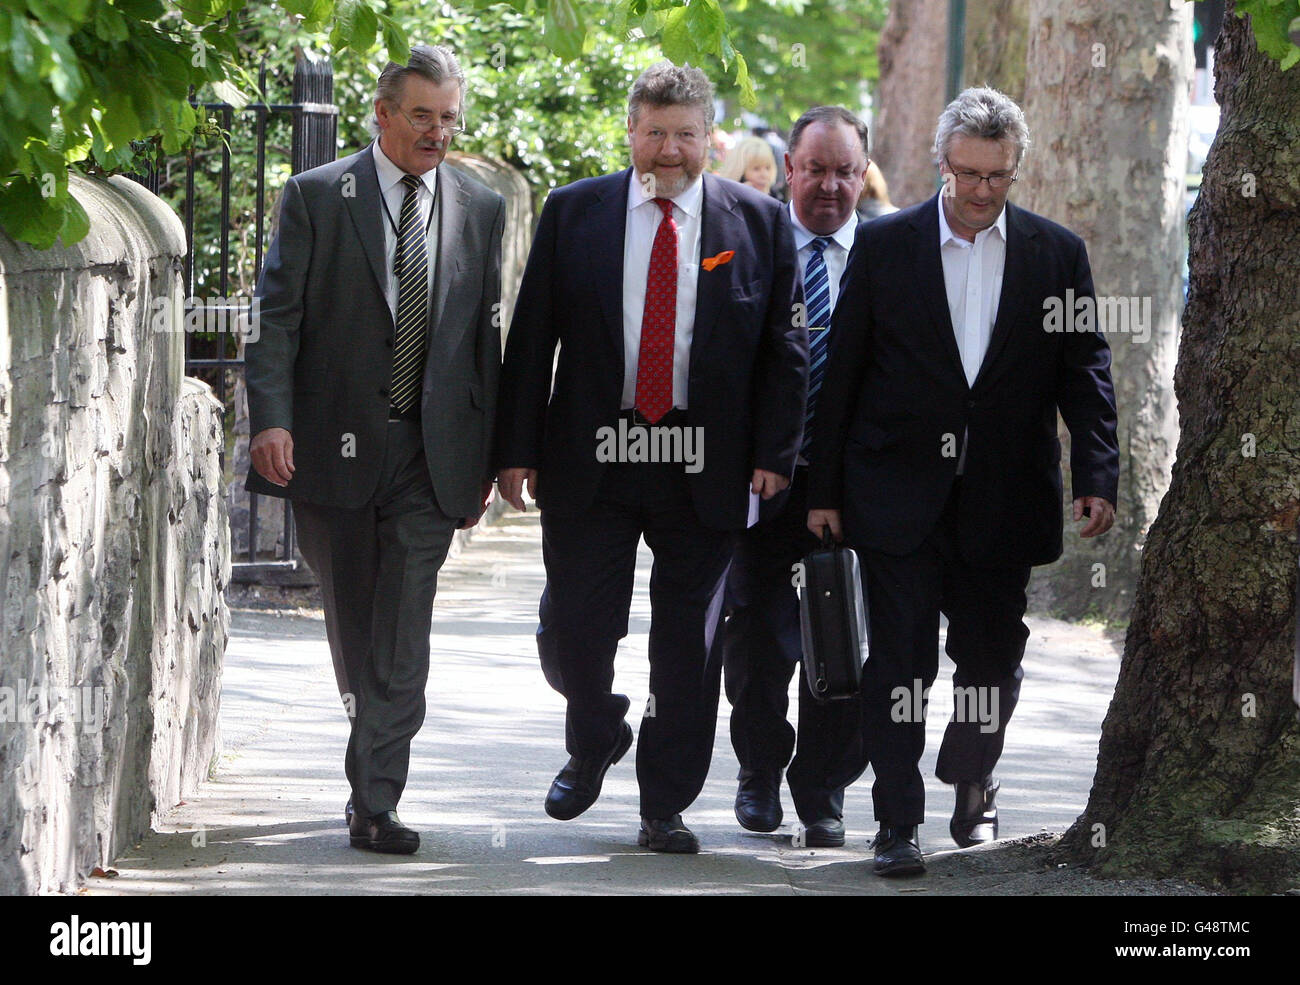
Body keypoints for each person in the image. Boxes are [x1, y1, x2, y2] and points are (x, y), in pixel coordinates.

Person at [806, 87, 1119, 876]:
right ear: (941, 164)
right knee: (900, 663)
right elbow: (841, 374)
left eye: (999, 176)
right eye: (970, 173)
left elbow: (1085, 370)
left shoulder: (1055, 254)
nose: (982, 190)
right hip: (896, 496)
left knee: (990, 658)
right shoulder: (885, 248)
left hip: (1003, 495)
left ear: (1017, 170)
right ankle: (896, 821)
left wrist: (1097, 472)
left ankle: (972, 772)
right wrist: (825, 490)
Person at [494, 62, 805, 853]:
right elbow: (532, 341)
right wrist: (517, 450)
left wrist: (775, 451)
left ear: (711, 140)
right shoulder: (575, 213)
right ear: (631, 133)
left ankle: (664, 803)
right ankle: (594, 731)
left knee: (687, 648)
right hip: (594, 453)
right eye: (655, 132)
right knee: (574, 628)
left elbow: (785, 349)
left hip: (707, 462)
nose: (670, 149)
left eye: (686, 135)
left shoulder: (760, 223)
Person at [245, 44, 505, 855]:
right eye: (422, 115)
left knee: (402, 634)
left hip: (433, 455)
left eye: (448, 117)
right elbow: (276, 316)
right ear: (384, 115)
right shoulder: (319, 196)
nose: (437, 132)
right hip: (335, 445)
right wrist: (271, 418)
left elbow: (481, 340)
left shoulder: (480, 206)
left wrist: (492, 453)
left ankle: (375, 800)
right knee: (356, 630)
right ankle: (372, 761)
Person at [722, 105, 869, 848]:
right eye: (816, 169)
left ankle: (823, 789)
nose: (830, 187)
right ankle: (758, 773)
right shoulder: (749, 240)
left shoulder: (887, 253)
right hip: (763, 480)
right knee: (755, 638)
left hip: (852, 487)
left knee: (840, 640)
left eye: (845, 171)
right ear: (790, 170)